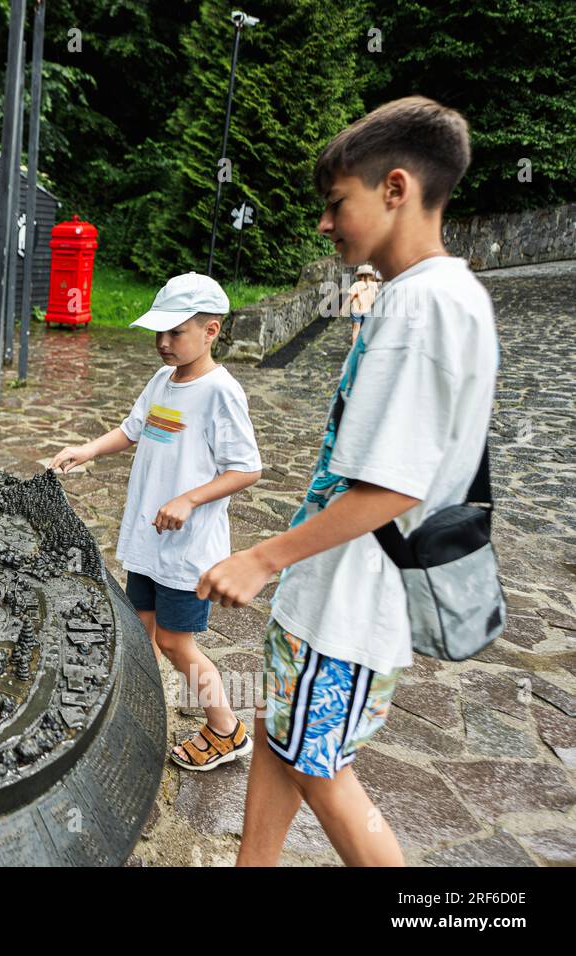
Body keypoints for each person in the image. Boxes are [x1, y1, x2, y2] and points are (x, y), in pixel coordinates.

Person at [196, 96, 499, 865]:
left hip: (353, 602)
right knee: (284, 736)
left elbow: (395, 488)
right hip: (331, 597)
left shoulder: (424, 307)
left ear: (395, 188)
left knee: (322, 771)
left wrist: (264, 556)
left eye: (337, 204)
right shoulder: (424, 297)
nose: (325, 225)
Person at [51, 272, 262, 771]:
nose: (164, 344)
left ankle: (226, 729)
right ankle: (135, 715)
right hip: (149, 540)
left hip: (188, 550)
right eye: (159, 333)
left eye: (177, 333)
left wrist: (190, 499)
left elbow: (247, 468)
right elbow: (132, 428)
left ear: (211, 331)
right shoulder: (162, 381)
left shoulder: (221, 393)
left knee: (173, 641)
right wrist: (87, 450)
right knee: (140, 631)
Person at [342, 263, 381, 346]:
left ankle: (353, 346)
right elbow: (377, 297)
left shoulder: (356, 285)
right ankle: (366, 345)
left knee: (355, 329)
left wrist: (343, 308)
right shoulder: (374, 285)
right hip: (368, 311)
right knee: (366, 329)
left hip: (356, 311)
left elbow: (350, 298)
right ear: (370, 275)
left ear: (359, 276)